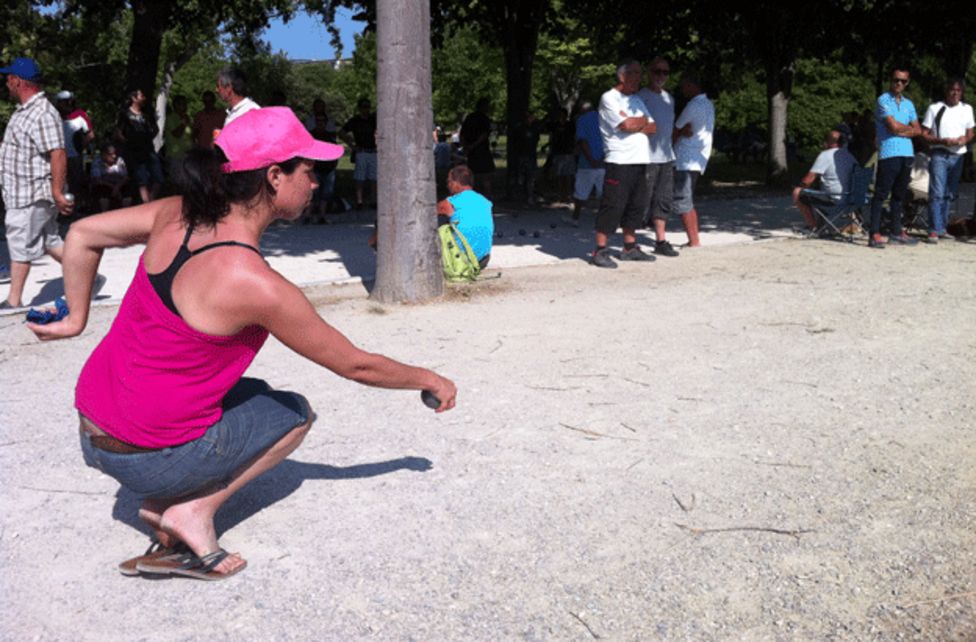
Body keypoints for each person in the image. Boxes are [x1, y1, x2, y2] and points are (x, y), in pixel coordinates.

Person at [27, 107, 457, 581]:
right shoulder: (255, 283)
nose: (314, 182)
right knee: (293, 413)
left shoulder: (174, 212)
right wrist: (429, 378)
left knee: (251, 392)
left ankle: (168, 484)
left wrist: (75, 320)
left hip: (91, 429)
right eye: (309, 170)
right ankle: (191, 512)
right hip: (143, 458)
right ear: (275, 176)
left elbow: (84, 233)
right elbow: (355, 366)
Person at [0, 57, 74, 309]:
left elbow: (58, 152)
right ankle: (86, 271)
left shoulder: (42, 112)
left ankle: (13, 300)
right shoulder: (26, 112)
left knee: (21, 243)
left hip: (30, 194)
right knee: (49, 240)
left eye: (8, 79)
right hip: (22, 192)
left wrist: (57, 191)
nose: (6, 83)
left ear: (17, 81)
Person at [590, 59, 657, 268]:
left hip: (641, 159)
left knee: (637, 205)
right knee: (613, 205)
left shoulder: (637, 100)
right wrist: (638, 122)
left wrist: (637, 123)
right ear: (622, 76)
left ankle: (630, 247)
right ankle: (600, 250)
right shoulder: (609, 98)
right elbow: (625, 125)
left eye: (640, 73)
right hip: (620, 160)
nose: (639, 77)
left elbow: (653, 127)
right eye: (634, 73)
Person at [867, 67, 921, 248]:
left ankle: (896, 231)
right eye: (896, 80)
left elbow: (918, 129)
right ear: (891, 80)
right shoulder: (883, 100)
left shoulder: (909, 104)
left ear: (907, 83)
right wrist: (907, 129)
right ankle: (874, 232)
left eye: (903, 81)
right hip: (889, 152)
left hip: (907, 153)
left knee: (899, 195)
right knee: (881, 194)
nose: (899, 83)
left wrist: (903, 129)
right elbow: (893, 127)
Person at [921, 78, 975, 242]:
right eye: (952, 90)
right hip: (940, 153)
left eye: (958, 90)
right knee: (937, 191)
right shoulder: (935, 108)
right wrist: (942, 141)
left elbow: (971, 132)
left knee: (949, 194)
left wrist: (964, 140)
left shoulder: (967, 109)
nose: (955, 93)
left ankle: (942, 226)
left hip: (958, 154)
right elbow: (924, 133)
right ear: (947, 91)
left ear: (962, 93)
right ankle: (933, 229)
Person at [636, 56, 680, 257]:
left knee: (664, 199)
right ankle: (631, 240)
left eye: (665, 72)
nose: (661, 76)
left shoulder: (669, 99)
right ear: (648, 73)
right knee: (641, 199)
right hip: (646, 156)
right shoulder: (640, 97)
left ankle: (660, 240)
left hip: (666, 156)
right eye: (657, 71)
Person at [672, 72, 715, 248]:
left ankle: (694, 240)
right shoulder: (708, 104)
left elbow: (676, 128)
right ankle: (693, 238)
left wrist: (676, 137)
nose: (682, 90)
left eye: (684, 86)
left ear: (691, 86)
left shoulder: (693, 105)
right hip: (698, 158)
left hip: (685, 158)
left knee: (683, 199)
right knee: (686, 198)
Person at [792, 129, 857, 230]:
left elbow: (808, 180)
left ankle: (813, 226)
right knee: (823, 189)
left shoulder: (825, 155)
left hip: (835, 200)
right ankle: (853, 223)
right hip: (852, 199)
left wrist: (800, 185)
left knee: (797, 192)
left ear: (828, 142)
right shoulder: (850, 156)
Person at [437, 164, 493, 268]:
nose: (447, 185)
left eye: (448, 181)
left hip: (460, 261)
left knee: (441, 227)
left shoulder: (451, 202)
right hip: (482, 260)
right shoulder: (485, 201)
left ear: (456, 183)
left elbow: (428, 212)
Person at [114, 88, 162, 204]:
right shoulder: (125, 114)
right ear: (134, 98)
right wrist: (128, 142)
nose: (144, 98)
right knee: (142, 180)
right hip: (134, 151)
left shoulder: (146, 114)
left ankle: (151, 200)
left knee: (158, 177)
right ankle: (146, 204)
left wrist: (148, 137)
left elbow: (155, 129)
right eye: (141, 96)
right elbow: (117, 132)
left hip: (149, 149)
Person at [566, 101, 604, 227]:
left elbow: (583, 141)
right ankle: (605, 220)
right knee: (605, 193)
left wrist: (590, 159)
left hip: (587, 164)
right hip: (604, 162)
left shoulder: (582, 120)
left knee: (581, 192)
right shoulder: (604, 118)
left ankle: (575, 219)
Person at [55, 90, 94, 202]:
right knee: (60, 181)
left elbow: (90, 135)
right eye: (64, 102)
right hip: (58, 155)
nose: (67, 104)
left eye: (69, 101)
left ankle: (76, 206)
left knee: (76, 182)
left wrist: (80, 147)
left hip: (75, 155)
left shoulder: (80, 114)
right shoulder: (54, 116)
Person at [339, 97, 378, 209]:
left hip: (373, 151)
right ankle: (359, 201)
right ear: (359, 108)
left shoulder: (373, 119)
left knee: (373, 177)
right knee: (359, 177)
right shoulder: (355, 121)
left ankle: (373, 200)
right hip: (361, 151)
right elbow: (341, 132)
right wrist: (352, 145)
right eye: (364, 107)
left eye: (368, 107)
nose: (366, 109)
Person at [304, 98, 339, 221]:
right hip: (315, 168)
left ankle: (322, 216)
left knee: (326, 193)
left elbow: (335, 151)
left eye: (323, 121)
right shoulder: (311, 135)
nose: (320, 123)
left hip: (328, 168)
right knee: (313, 193)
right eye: (318, 121)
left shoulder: (330, 136)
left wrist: (333, 166)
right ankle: (308, 216)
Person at [460, 97, 495, 197]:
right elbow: (484, 135)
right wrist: (473, 146)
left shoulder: (469, 118)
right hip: (481, 150)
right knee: (486, 177)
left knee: (472, 176)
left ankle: (472, 198)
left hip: (472, 151)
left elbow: (462, 135)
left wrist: (466, 147)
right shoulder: (484, 119)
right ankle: (487, 199)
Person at [89, 144, 131, 212]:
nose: (114, 156)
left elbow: (125, 177)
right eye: (110, 154)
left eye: (115, 153)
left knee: (128, 191)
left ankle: (125, 213)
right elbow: (97, 179)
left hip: (119, 185)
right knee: (101, 190)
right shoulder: (97, 162)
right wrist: (113, 188)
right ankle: (104, 213)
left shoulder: (120, 160)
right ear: (103, 154)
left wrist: (117, 187)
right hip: (105, 185)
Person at [548, 110, 576, 204]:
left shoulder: (570, 125)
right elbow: (552, 137)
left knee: (567, 175)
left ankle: (567, 195)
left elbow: (574, 137)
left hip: (567, 152)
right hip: (558, 152)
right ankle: (560, 195)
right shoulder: (554, 125)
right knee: (559, 175)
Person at [163, 94, 192, 175]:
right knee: (177, 183)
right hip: (175, 156)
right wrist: (183, 123)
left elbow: (190, 135)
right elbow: (177, 134)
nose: (185, 106)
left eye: (186, 104)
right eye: (183, 104)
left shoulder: (186, 117)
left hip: (187, 155)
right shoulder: (171, 118)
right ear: (176, 105)